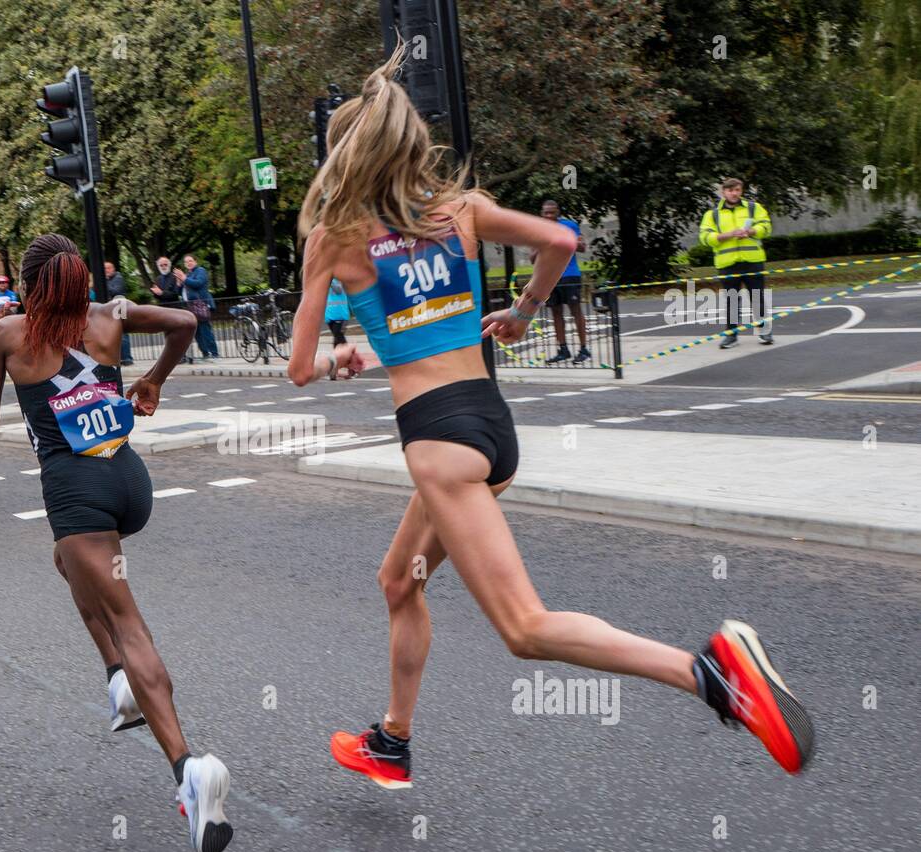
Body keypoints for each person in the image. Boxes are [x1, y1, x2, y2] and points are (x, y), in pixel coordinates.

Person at [290, 47, 813, 791]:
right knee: (399, 581)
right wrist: (523, 310)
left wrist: (345, 357)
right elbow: (562, 242)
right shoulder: (460, 212)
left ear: (345, 155)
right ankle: (391, 740)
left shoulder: (334, 239)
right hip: (489, 428)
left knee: (525, 629)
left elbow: (300, 366)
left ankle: (711, 673)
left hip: (439, 443)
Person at [0, 232, 233, 852]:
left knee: (126, 620)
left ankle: (188, 772)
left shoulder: (10, 335)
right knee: (68, 563)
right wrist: (152, 381)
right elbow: (186, 320)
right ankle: (118, 681)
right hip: (128, 484)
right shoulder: (109, 315)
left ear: (31, 284)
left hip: (77, 493)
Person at [699, 177, 773, 348]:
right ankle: (731, 336)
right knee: (731, 300)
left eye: (737, 190)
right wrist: (727, 235)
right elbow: (705, 237)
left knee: (757, 297)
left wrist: (751, 231)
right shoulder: (712, 215)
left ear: (742, 191)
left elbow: (766, 227)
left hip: (753, 261)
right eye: (730, 190)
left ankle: (764, 332)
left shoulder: (754, 208)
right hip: (727, 263)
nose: (734, 193)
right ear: (723, 192)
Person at [534, 200, 591, 364]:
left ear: (558, 212)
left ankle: (584, 349)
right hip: (550, 277)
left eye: (552, 212)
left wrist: (564, 239)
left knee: (576, 311)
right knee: (556, 313)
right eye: (546, 213)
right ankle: (563, 349)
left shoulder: (569, 225)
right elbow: (532, 258)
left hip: (570, 274)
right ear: (542, 214)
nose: (549, 216)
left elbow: (582, 247)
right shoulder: (538, 229)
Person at [150, 256, 192, 364]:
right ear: (158, 266)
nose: (163, 267)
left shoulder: (174, 277)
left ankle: (182, 356)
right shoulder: (158, 279)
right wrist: (156, 293)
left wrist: (161, 293)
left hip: (175, 310)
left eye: (165, 264)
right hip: (163, 311)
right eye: (161, 265)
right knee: (168, 336)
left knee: (178, 335)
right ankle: (173, 358)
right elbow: (157, 296)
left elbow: (175, 294)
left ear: (169, 265)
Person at [179, 254, 219, 360]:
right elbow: (182, 291)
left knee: (205, 329)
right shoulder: (188, 274)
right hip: (190, 306)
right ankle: (205, 353)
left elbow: (198, 283)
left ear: (195, 261)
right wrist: (179, 283)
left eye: (190, 261)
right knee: (196, 331)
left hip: (200, 304)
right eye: (186, 262)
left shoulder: (200, 270)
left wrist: (184, 279)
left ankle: (214, 353)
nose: (188, 263)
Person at [105, 261, 133, 364]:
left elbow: (116, 291)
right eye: (104, 268)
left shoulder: (118, 278)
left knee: (123, 333)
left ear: (113, 269)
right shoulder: (109, 280)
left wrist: (104, 283)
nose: (106, 271)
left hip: (119, 306)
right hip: (112, 308)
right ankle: (120, 357)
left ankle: (127, 358)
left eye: (108, 268)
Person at [324, 277, 351, 358]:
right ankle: (338, 360)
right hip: (330, 315)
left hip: (341, 315)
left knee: (338, 336)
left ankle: (350, 356)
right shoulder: (326, 281)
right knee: (337, 339)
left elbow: (338, 290)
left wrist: (330, 280)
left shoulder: (341, 279)